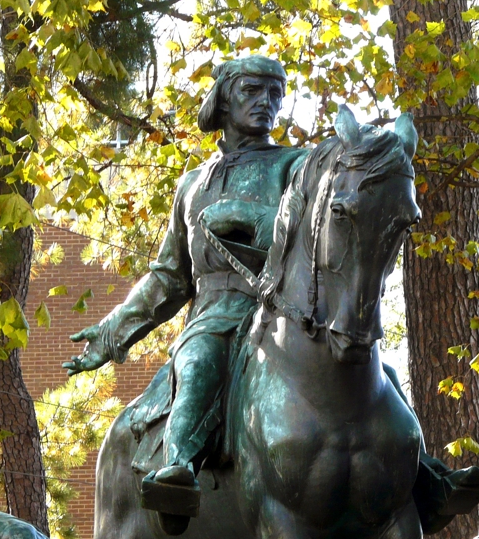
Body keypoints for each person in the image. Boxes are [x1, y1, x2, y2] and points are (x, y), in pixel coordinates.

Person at [64, 55, 306, 501]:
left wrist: (253, 217)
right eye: (251, 91)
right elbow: (170, 277)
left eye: (275, 94)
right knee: (197, 364)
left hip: (285, 308)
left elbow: (320, 234)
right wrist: (113, 329)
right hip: (216, 315)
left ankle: (419, 473)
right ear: (223, 101)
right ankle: (178, 468)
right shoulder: (192, 184)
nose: (266, 103)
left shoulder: (297, 165)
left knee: (364, 362)